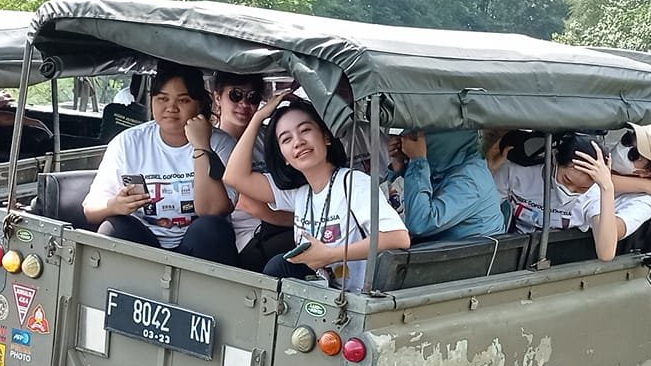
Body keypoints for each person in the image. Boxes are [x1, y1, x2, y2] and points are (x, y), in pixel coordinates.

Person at [225, 92, 410, 288]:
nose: (298, 142)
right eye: (286, 139)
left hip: (358, 300)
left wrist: (330, 255)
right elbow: (234, 177)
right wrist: (258, 117)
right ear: (284, 157)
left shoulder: (352, 182)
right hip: (325, 295)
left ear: (326, 137)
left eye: (305, 130)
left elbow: (398, 237)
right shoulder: (300, 193)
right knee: (278, 266)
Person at [82, 64, 238, 265]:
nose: (171, 108)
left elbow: (212, 211)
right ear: (152, 101)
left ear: (199, 105)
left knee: (212, 228)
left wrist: (201, 146)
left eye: (183, 100)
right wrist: (114, 205)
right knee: (112, 226)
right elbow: (91, 209)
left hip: (197, 246)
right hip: (144, 242)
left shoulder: (221, 144)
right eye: (162, 99)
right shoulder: (128, 142)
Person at [544, 127, 651, 262]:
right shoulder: (596, 165)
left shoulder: (642, 203)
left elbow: (609, 236)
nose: (624, 149)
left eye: (633, 154)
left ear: (645, 172)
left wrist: (608, 186)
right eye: (627, 140)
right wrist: (646, 185)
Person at [210, 72, 297, 269]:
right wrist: (304, 222)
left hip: (283, 223)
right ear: (217, 97)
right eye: (235, 95)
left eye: (253, 98)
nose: (244, 104)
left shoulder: (271, 139)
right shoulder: (211, 143)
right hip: (250, 236)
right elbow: (249, 205)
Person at [390, 128, 505, 242]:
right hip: (439, 251)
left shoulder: (471, 180)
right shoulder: (446, 167)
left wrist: (418, 161)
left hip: (467, 257)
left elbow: (420, 223)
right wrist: (402, 167)